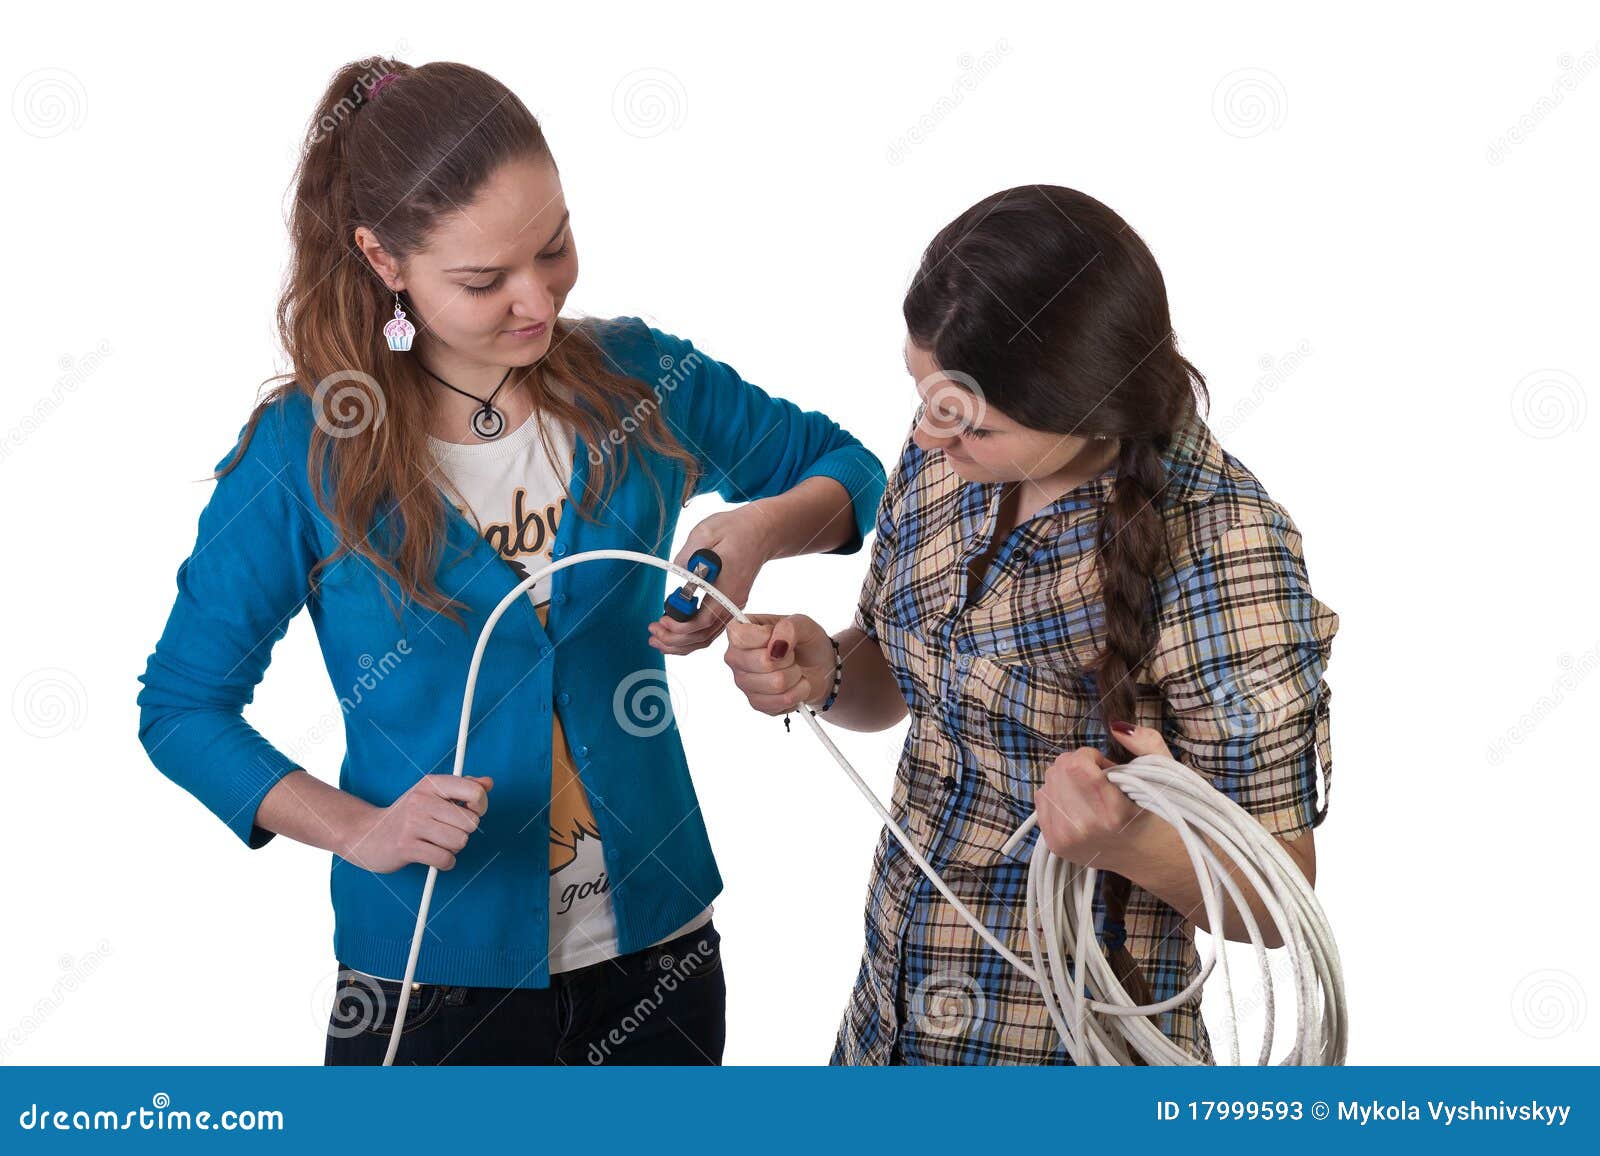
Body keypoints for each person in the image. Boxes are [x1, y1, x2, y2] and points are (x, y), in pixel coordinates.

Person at [134, 57, 885, 1066]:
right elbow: (181, 706)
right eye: (485, 280)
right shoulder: (303, 452)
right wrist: (357, 828)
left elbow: (848, 469)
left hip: (659, 964)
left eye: (555, 246)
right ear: (383, 258)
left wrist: (754, 532)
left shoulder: (641, 381)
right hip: (427, 983)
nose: (536, 300)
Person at [722, 185, 1338, 1065]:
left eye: (973, 423)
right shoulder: (949, 446)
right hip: (889, 1028)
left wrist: (1127, 839)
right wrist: (822, 671)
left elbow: (1278, 897)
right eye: (923, 390)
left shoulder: (1226, 549)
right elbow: (896, 685)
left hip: (1066, 1058)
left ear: (1089, 407)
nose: (930, 434)